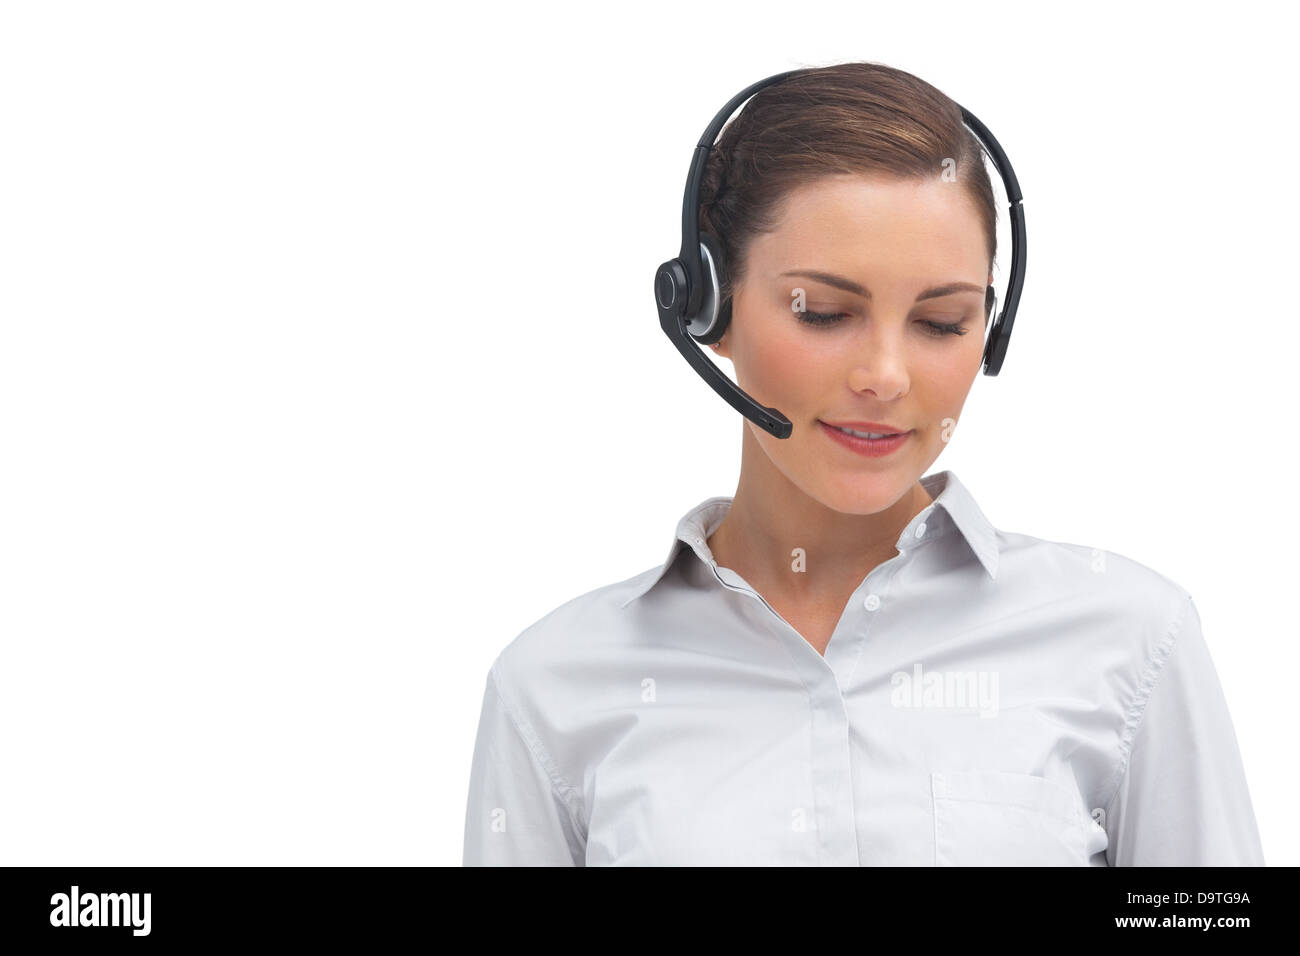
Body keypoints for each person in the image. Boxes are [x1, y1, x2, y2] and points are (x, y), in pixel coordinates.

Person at [461, 61, 1265, 866]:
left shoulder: (1129, 640)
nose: (885, 375)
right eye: (826, 312)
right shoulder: (553, 687)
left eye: (943, 322)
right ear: (706, 306)